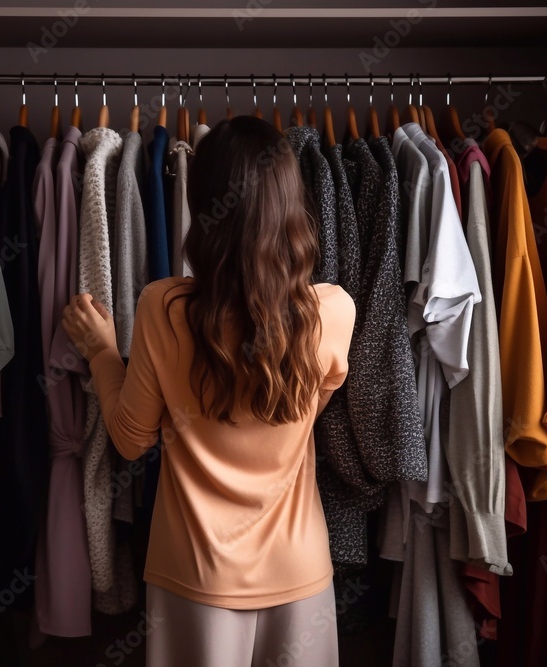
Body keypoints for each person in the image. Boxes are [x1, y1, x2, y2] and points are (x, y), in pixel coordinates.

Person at [62, 115, 355, 667]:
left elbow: (130, 441)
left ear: (205, 206)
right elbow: (303, 414)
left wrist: (102, 353)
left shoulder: (164, 308)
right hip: (300, 572)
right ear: (292, 204)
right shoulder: (333, 312)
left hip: (195, 576)